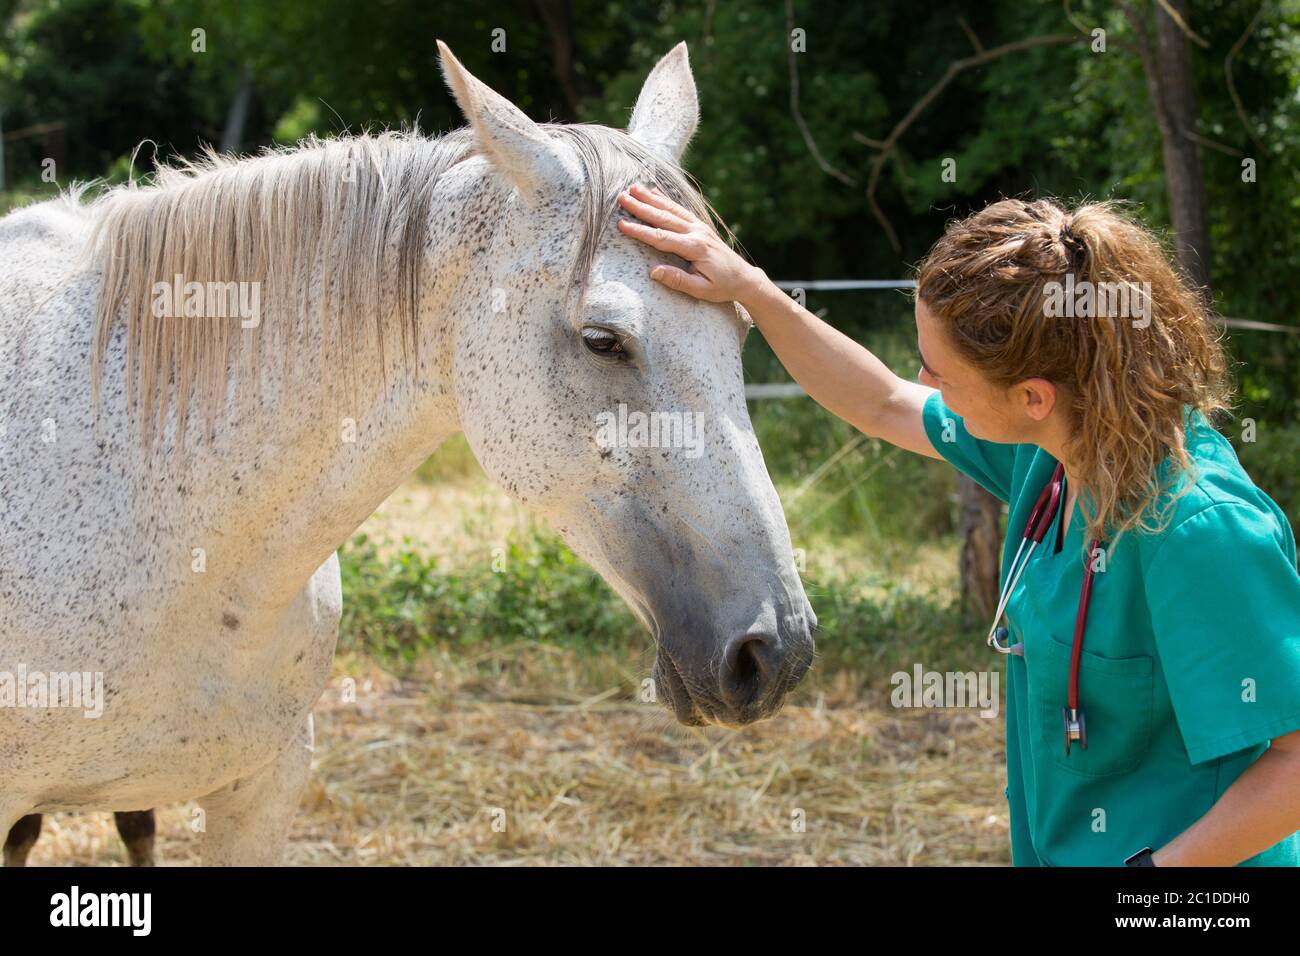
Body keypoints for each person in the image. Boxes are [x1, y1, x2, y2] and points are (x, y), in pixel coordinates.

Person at [616, 183, 1300, 866]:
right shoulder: (1053, 453)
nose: (922, 377)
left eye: (939, 371)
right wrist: (754, 293)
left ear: (1034, 396)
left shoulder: (1201, 531)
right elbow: (883, 403)